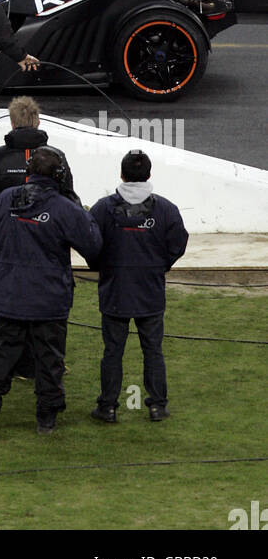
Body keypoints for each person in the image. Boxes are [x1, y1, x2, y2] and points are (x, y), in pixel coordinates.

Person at [0, 148, 102, 435]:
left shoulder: (4, 201)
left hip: (9, 297)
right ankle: (46, 419)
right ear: (60, 176)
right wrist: (80, 209)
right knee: (50, 360)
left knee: (1, 359)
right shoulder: (65, 208)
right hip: (49, 300)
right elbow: (94, 247)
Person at [88, 150, 189, 424]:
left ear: (121, 174)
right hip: (149, 291)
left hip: (115, 291)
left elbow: (90, 243)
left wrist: (102, 266)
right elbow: (178, 244)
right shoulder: (167, 210)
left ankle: (108, 407)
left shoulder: (101, 209)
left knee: (113, 351)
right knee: (153, 350)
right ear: (149, 174)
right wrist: (159, 267)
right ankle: (158, 406)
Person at [0, 94, 79, 203]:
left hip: (8, 217)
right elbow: (68, 196)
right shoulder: (56, 156)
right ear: (38, 123)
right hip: (47, 217)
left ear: (12, 124)